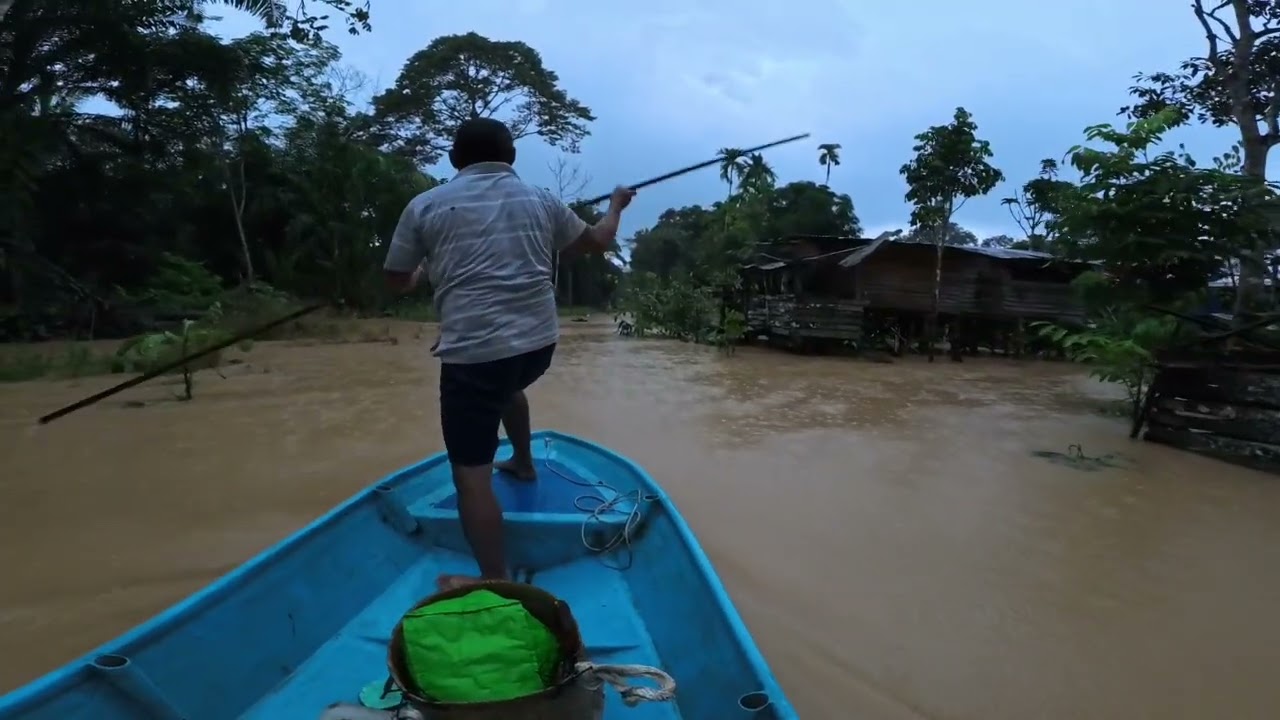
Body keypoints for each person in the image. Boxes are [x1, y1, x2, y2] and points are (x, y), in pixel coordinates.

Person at [382, 117, 635, 591]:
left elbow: (397, 280)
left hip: (475, 356)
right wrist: (616, 206)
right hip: (537, 347)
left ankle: (494, 579)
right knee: (506, 385)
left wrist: (421, 269)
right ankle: (523, 461)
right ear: (512, 157)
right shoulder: (542, 200)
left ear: (454, 159)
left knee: (470, 476)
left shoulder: (425, 205)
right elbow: (598, 241)